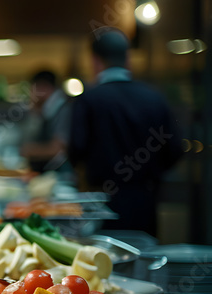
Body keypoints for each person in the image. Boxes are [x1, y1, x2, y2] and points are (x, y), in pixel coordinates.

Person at [67, 28, 183, 237]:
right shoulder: (154, 98)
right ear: (128, 58)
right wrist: (150, 173)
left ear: (95, 61)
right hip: (145, 199)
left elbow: (76, 149)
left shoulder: (89, 100)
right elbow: (175, 149)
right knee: (143, 257)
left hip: (102, 201)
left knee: (104, 261)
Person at [20, 70, 72, 176]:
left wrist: (29, 150)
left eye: (33, 89)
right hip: (52, 173)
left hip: (63, 174)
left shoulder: (62, 110)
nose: (31, 95)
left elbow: (58, 149)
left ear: (43, 87)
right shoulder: (49, 109)